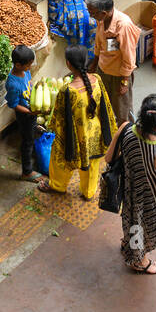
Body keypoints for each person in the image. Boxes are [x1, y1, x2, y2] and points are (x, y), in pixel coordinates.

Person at [102, 93, 156, 274]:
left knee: (131, 221)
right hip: (150, 201)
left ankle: (127, 244)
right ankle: (140, 261)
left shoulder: (125, 129)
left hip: (128, 191)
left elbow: (108, 157)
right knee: (143, 229)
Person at [43, 44, 115, 200]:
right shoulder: (97, 79)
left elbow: (59, 118)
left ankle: (58, 185)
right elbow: (106, 106)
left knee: (59, 159)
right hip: (95, 133)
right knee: (92, 164)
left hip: (76, 136)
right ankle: (89, 192)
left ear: (68, 64)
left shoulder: (67, 90)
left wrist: (50, 128)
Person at [87, 0, 139, 127]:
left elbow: (129, 56)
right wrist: (94, 63)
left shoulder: (124, 26)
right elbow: (99, 44)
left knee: (123, 110)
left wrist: (124, 81)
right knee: (104, 102)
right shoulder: (101, 20)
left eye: (92, 13)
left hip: (119, 75)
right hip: (104, 69)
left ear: (103, 13)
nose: (90, 16)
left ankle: (126, 135)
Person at [5, 44, 45, 186]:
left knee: (31, 137)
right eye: (28, 65)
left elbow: (29, 83)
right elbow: (13, 104)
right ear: (18, 64)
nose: (30, 67)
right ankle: (26, 172)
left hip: (31, 112)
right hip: (25, 116)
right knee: (27, 142)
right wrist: (29, 112)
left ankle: (29, 161)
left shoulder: (25, 72)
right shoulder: (12, 83)